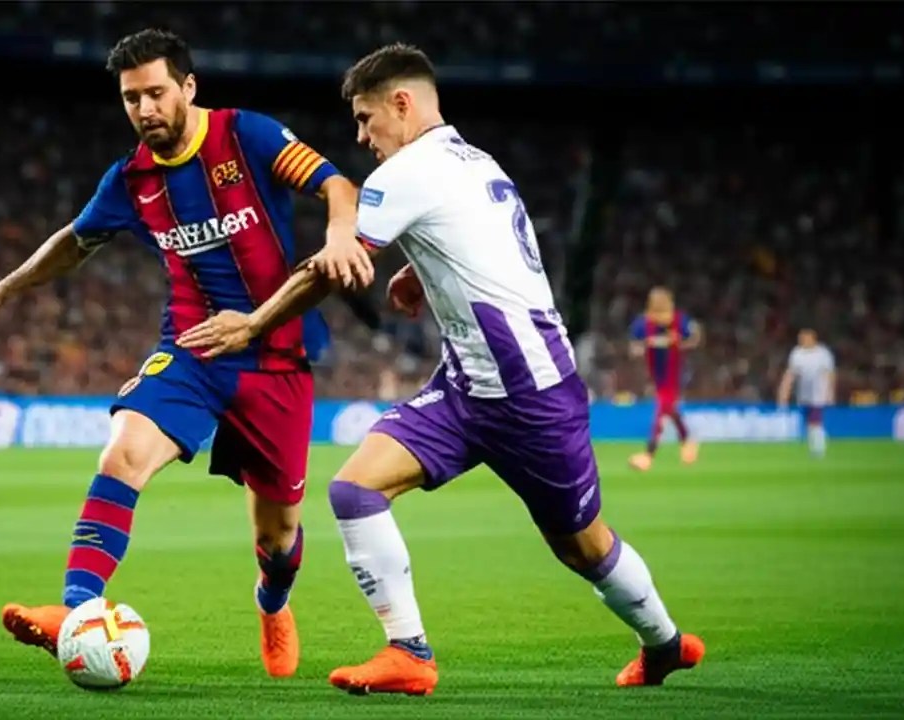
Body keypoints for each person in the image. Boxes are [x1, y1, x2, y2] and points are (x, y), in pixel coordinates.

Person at [178, 43, 705, 695]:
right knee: (353, 490)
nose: (361, 135)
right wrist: (418, 274)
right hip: (466, 386)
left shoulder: (404, 174)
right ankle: (409, 652)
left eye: (367, 119)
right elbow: (484, 245)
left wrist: (253, 324)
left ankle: (664, 643)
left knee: (583, 547)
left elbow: (332, 266)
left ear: (402, 104)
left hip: (530, 394)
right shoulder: (471, 158)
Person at [0, 28, 368, 678]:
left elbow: (336, 184)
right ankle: (78, 608)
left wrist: (341, 232)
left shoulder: (246, 135)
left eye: (156, 93)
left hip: (277, 357)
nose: (145, 110)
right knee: (124, 452)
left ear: (188, 87)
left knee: (277, 536)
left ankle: (272, 602)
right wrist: (0, 293)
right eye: (130, 98)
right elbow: (74, 241)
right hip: (193, 348)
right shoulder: (131, 180)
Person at [627, 286, 702, 471]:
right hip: (656, 372)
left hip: (674, 371)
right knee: (670, 408)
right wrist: (641, 347)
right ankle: (687, 441)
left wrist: (680, 344)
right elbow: (633, 345)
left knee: (663, 408)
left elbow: (695, 337)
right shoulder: (644, 323)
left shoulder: (679, 320)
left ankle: (648, 455)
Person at [777, 328, 836, 457]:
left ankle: (819, 449)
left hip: (819, 393)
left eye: (804, 338)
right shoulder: (797, 354)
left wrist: (830, 392)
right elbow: (791, 374)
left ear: (812, 338)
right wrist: (784, 392)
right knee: (809, 422)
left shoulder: (823, 353)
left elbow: (829, 374)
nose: (801, 340)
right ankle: (815, 445)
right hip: (803, 394)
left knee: (815, 420)